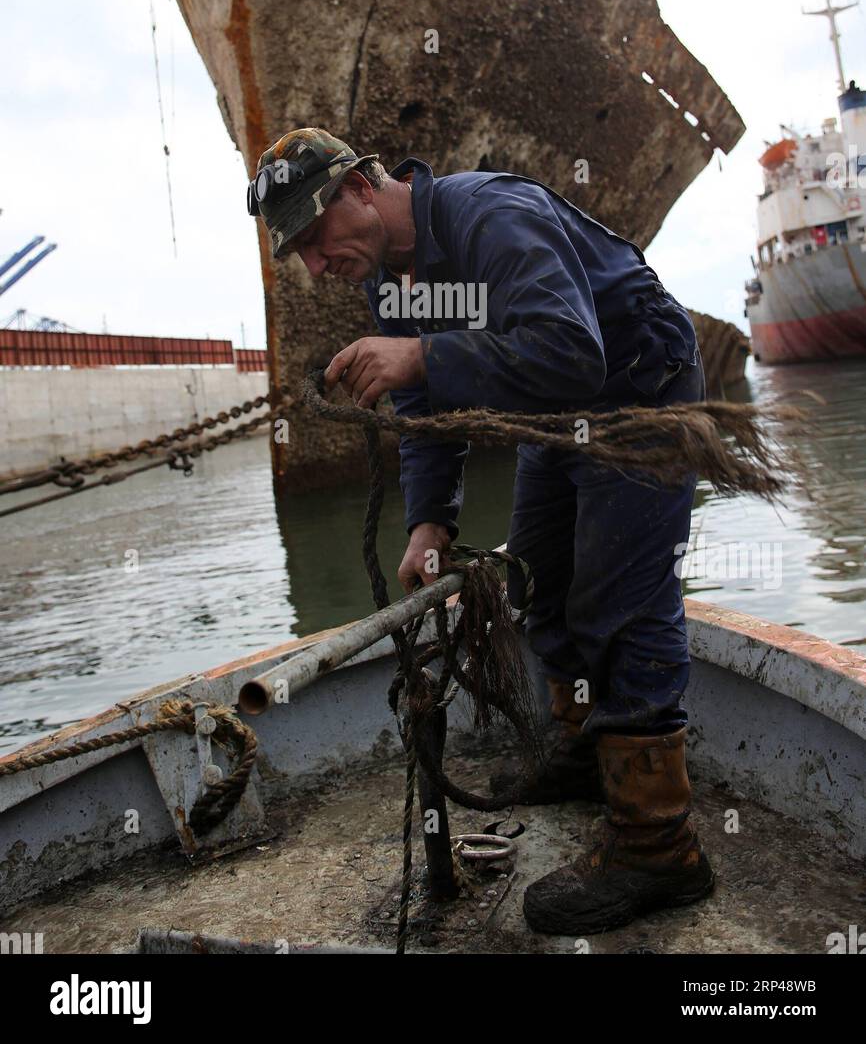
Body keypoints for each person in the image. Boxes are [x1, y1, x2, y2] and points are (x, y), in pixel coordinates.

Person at [247, 126, 715, 935]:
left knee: (619, 602)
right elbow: (429, 413)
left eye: (319, 238)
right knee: (539, 580)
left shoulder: (488, 215)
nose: (317, 266)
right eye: (302, 254)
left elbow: (572, 351)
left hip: (642, 394)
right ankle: (582, 748)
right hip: (558, 420)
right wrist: (430, 522)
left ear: (362, 187)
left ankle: (657, 845)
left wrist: (421, 358)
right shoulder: (397, 284)